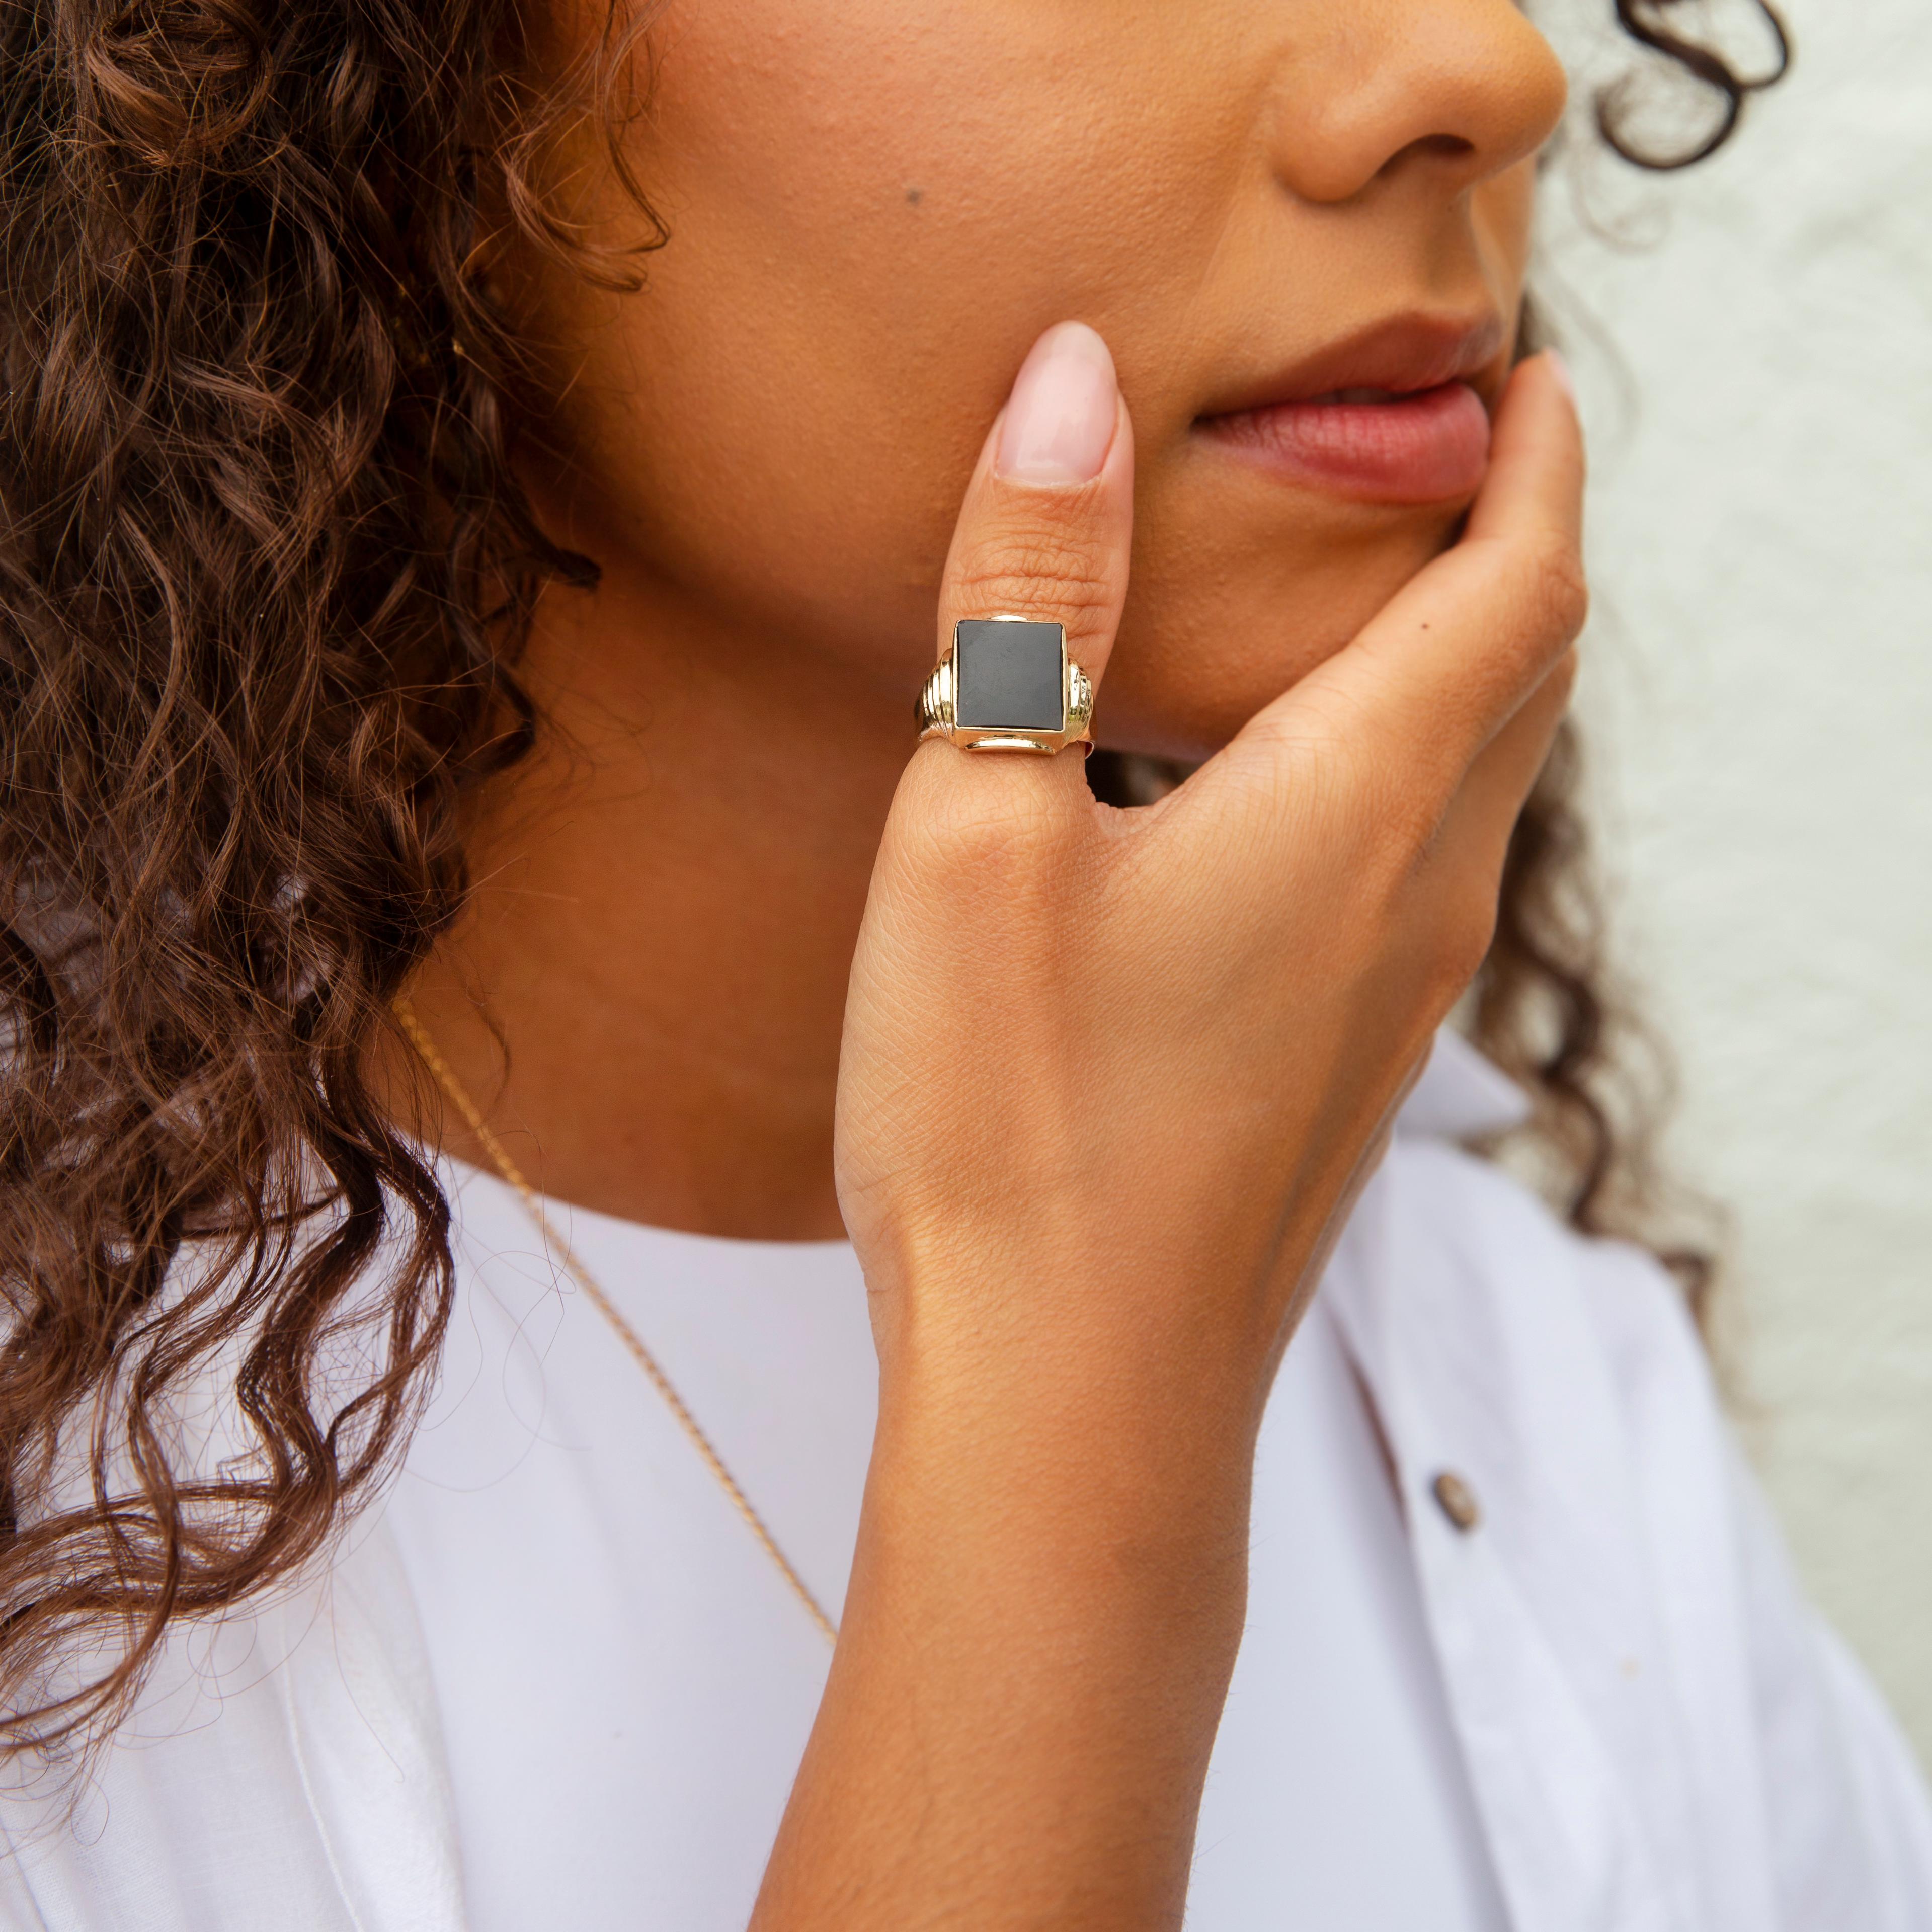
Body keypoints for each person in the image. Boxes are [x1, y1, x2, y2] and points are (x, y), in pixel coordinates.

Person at [1, 0, 1927, 1927]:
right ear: (364, 85)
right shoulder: (61, 1522)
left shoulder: (1543, 1398)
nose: (1483, 72)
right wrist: (1075, 1428)